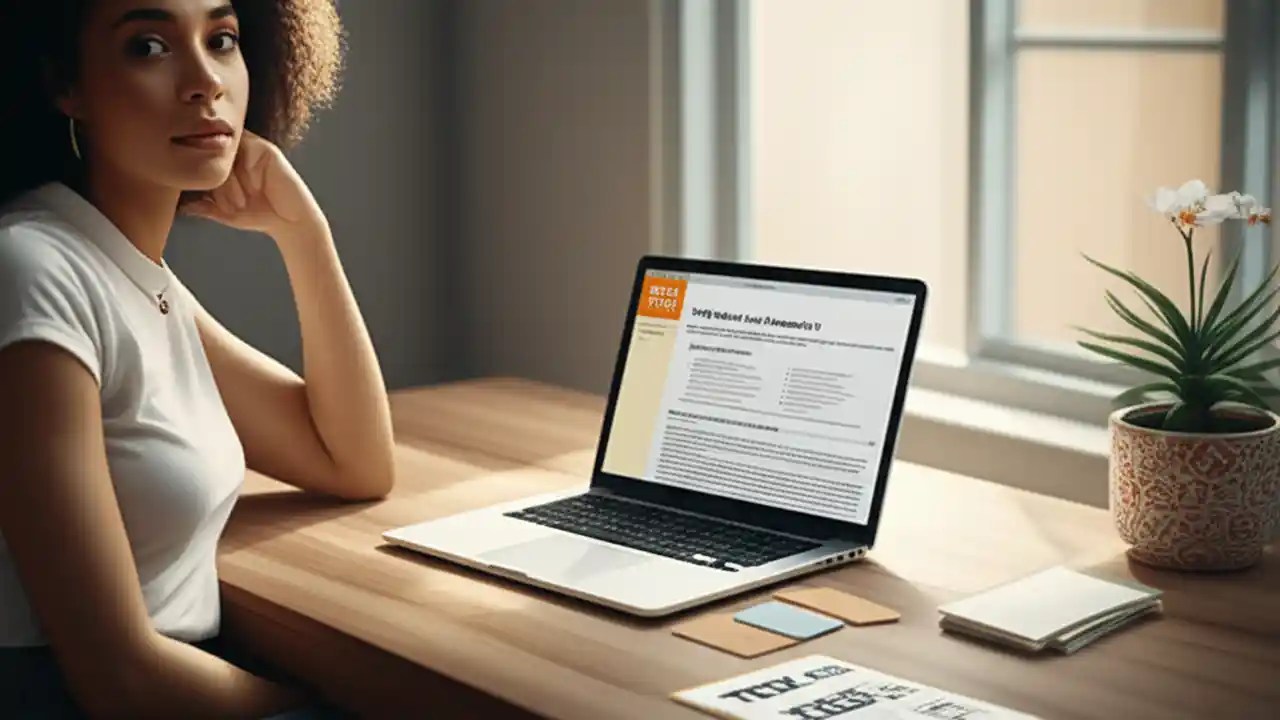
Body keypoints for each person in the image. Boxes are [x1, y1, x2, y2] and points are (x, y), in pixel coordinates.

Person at [0, 1, 396, 717]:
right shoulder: (34, 270)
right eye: (149, 46)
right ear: (66, 84)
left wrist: (304, 235)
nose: (205, 81)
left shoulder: (128, 274)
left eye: (221, 40)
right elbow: (119, 678)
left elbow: (355, 461)